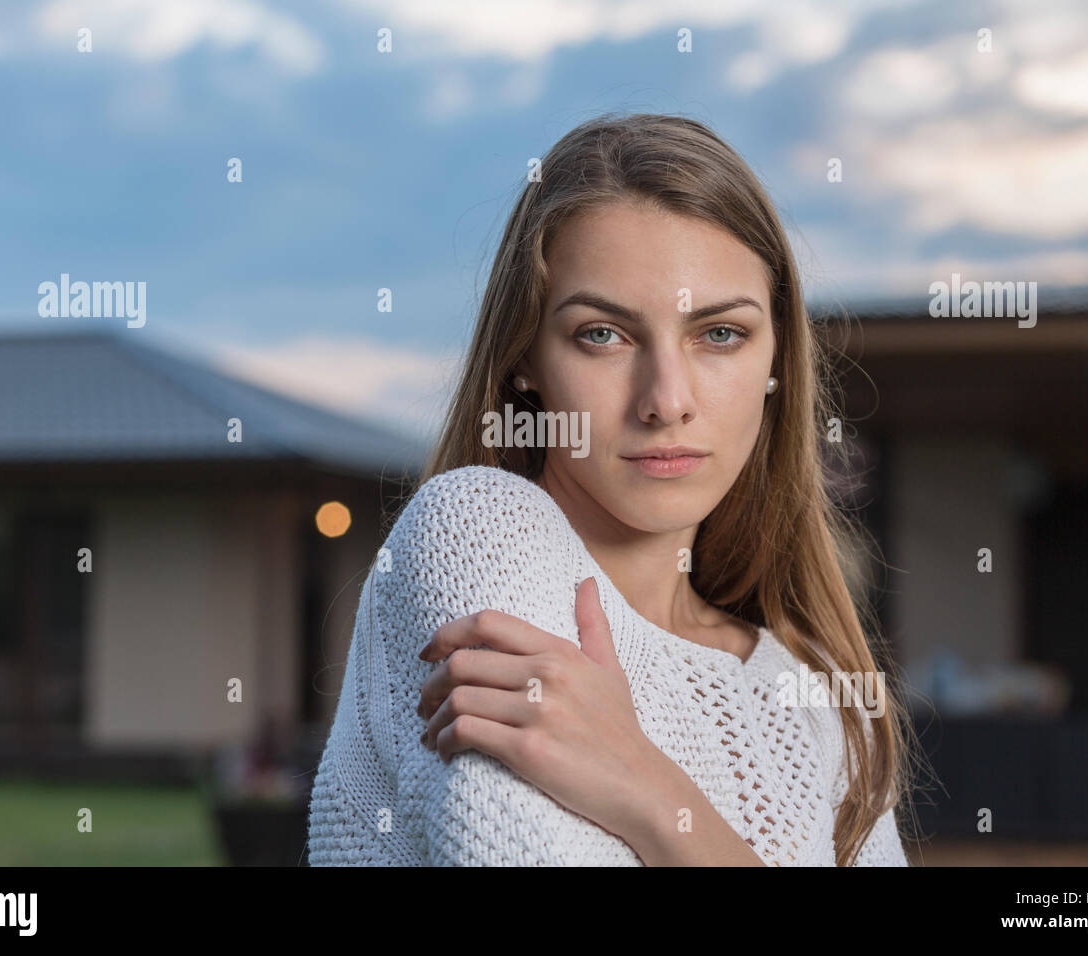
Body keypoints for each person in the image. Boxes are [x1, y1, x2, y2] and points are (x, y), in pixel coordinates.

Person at [307, 112, 915, 866]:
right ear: (524, 359)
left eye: (720, 334)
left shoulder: (815, 694)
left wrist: (649, 790)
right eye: (603, 334)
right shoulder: (477, 531)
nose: (667, 400)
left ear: (775, 362)